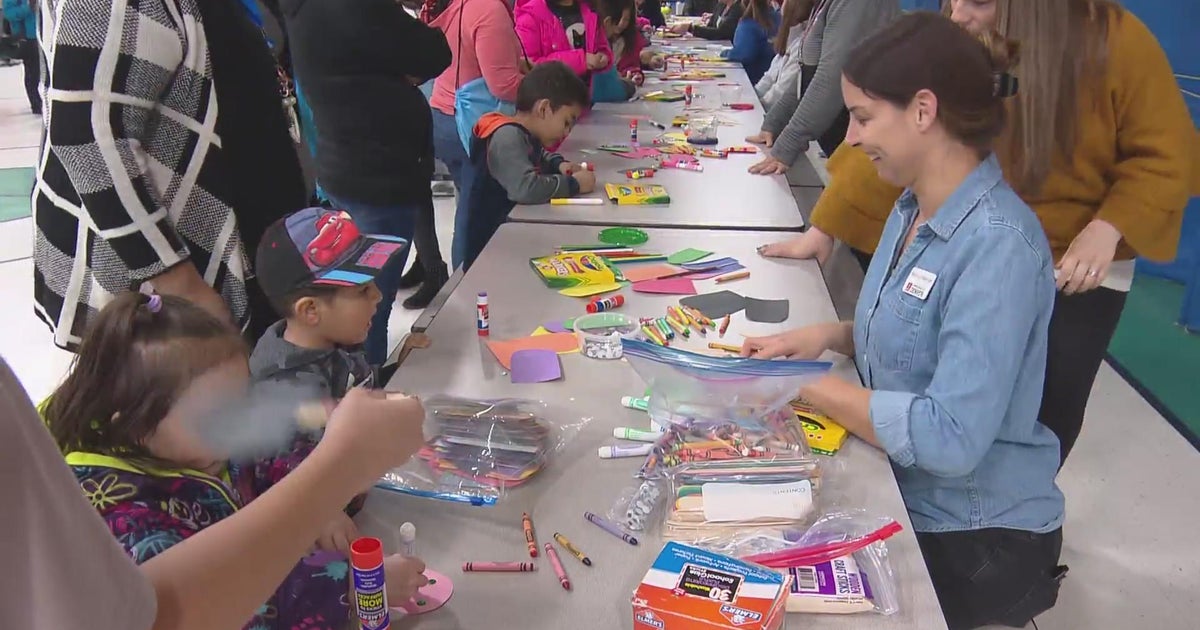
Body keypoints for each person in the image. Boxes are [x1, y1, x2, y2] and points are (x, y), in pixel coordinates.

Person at [759, 0, 1195, 464]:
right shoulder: (968, 36)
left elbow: (1167, 153)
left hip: (1081, 264)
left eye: (979, 2)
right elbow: (896, 130)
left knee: (1043, 413)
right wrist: (824, 227)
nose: (961, 12)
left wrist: (1110, 226)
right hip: (983, 239)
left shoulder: (1118, 41)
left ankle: (1011, 522)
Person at [744, 14, 1065, 628]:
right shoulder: (912, 204)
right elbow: (910, 330)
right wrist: (821, 338)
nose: (855, 137)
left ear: (923, 111)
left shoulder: (998, 245)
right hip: (911, 488)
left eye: (864, 117)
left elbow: (950, 436)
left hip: (976, 534)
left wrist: (811, 382)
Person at [40, 292, 428, 629]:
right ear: (134, 423)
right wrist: (356, 586)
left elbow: (264, 466)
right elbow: (237, 605)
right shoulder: (124, 524)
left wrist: (322, 498)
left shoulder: (200, 447)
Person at [33, 0, 310, 351]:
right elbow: (88, 138)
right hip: (181, 281)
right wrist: (180, 285)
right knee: (206, 398)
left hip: (243, 243)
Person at [281, 0, 451, 364]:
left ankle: (358, 383)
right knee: (370, 301)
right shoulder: (356, 6)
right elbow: (433, 52)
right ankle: (367, 390)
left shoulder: (303, 9)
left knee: (352, 293)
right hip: (379, 175)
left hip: (344, 165)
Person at [250, 207, 406, 398]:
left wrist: (399, 367)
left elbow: (356, 385)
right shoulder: (291, 397)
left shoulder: (335, 337)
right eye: (363, 290)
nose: (378, 296)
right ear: (311, 310)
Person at [425, 0, 529, 271]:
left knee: (468, 207)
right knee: (476, 218)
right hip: (471, 125)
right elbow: (503, 85)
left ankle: (465, 282)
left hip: (444, 116)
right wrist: (537, 84)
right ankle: (468, 286)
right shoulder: (489, 9)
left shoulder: (464, 5)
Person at [463, 61, 595, 268]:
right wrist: (573, 184)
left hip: (509, 240)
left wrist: (559, 165)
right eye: (567, 121)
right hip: (490, 254)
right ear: (543, 109)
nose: (567, 132)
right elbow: (524, 188)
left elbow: (537, 154)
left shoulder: (522, 134)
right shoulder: (507, 135)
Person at [745, 0, 898, 175]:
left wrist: (788, 144)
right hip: (843, 144)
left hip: (869, 149)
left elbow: (831, 77)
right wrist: (774, 123)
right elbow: (806, 74)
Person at [516, 0, 613, 88]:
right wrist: (581, 60)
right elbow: (528, 65)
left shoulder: (590, 10)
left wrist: (603, 56)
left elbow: (601, 45)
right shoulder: (530, 15)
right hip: (549, 100)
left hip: (582, 98)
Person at [594, 0, 665, 99]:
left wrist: (634, 74)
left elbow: (630, 64)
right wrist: (626, 84)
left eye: (626, 19)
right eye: (619, 18)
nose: (622, 23)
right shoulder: (594, 41)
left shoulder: (630, 39)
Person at [754, 0, 811, 110]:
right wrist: (752, 96)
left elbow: (781, 91)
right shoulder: (789, 40)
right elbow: (769, 77)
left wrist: (758, 105)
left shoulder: (802, 46)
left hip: (779, 115)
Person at [721, 0, 780, 84]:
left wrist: (725, 53)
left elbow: (743, 55)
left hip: (751, 81)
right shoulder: (778, 19)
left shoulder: (747, 25)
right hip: (773, 80)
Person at [2, 0, 38, 114]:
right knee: (32, 71)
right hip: (27, 37)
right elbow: (9, 13)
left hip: (44, 33)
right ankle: (36, 103)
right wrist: (27, 7)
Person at [669, 0, 743, 41]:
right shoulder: (721, 5)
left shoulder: (738, 9)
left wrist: (691, 28)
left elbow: (721, 33)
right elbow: (710, 27)